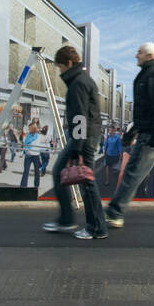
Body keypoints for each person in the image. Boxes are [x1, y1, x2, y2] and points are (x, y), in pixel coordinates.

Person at [105, 42, 154, 227]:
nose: (136, 55)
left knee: (132, 173)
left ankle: (114, 213)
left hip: (152, 135)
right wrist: (132, 132)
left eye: (139, 53)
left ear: (149, 56)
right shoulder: (149, 74)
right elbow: (145, 110)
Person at [43, 45, 107, 239]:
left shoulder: (78, 83)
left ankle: (95, 227)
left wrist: (76, 148)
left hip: (83, 139)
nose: (60, 71)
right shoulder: (84, 80)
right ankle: (68, 219)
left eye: (61, 67)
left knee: (84, 180)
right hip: (87, 136)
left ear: (69, 63)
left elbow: (79, 117)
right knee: (78, 178)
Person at [103, 126, 122, 193]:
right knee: (107, 167)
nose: (110, 131)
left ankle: (117, 183)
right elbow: (106, 144)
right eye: (109, 130)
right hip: (108, 154)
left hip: (115, 155)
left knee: (115, 169)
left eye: (111, 130)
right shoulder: (108, 137)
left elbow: (119, 146)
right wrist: (104, 152)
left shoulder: (117, 137)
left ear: (114, 131)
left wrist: (120, 154)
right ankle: (107, 181)